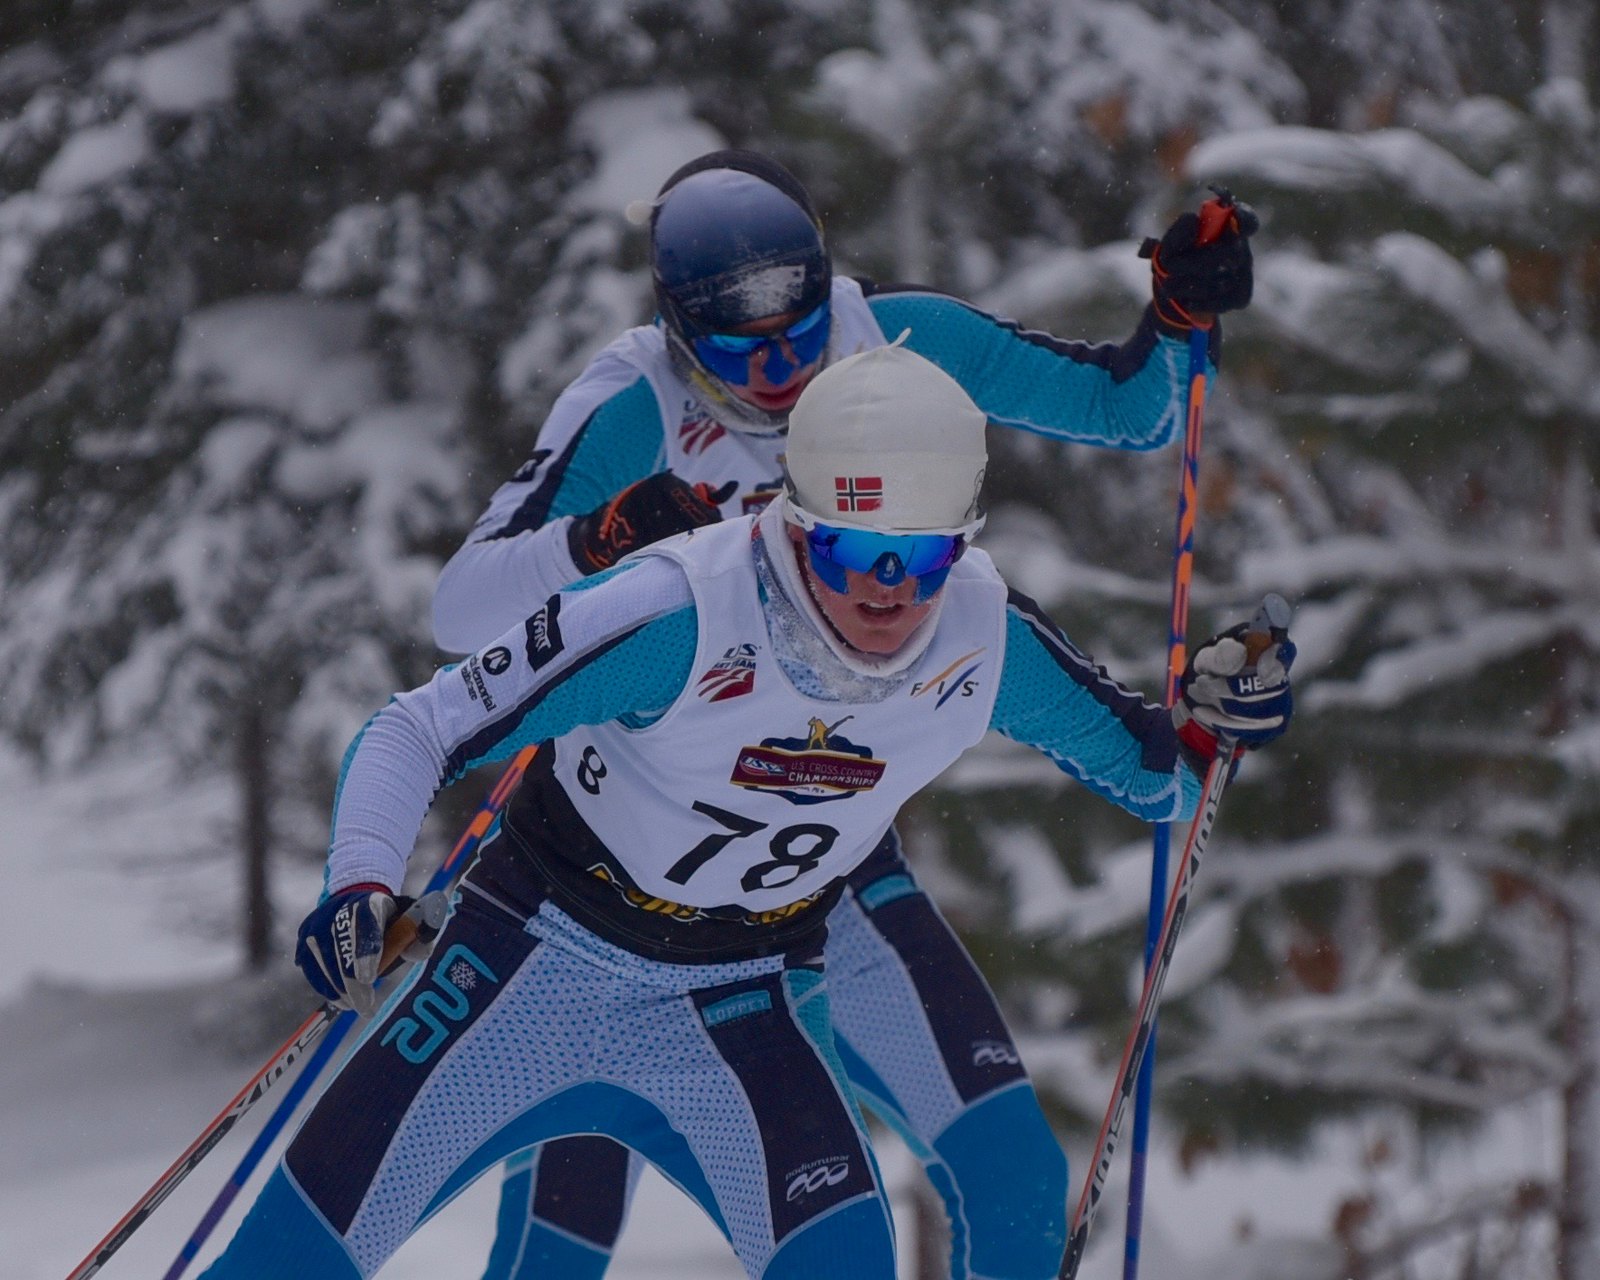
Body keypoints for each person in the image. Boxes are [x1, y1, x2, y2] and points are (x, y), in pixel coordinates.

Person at [199, 344, 1292, 1280]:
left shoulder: (982, 633)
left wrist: (1219, 717)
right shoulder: (676, 607)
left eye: (920, 554)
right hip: (530, 958)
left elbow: (1156, 775)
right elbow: (417, 727)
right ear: (793, 521)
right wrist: (358, 883)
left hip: (742, 991)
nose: (887, 589)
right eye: (854, 548)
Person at [432, 149, 1259, 1280]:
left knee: (1013, 1174)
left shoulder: (902, 342)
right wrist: (600, 535)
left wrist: (1175, 318)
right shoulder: (634, 401)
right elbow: (460, 608)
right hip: (610, 873)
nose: (781, 371)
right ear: (675, 324)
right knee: (559, 1244)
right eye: (741, 348)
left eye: (803, 331)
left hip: (822, 854)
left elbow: (1125, 410)